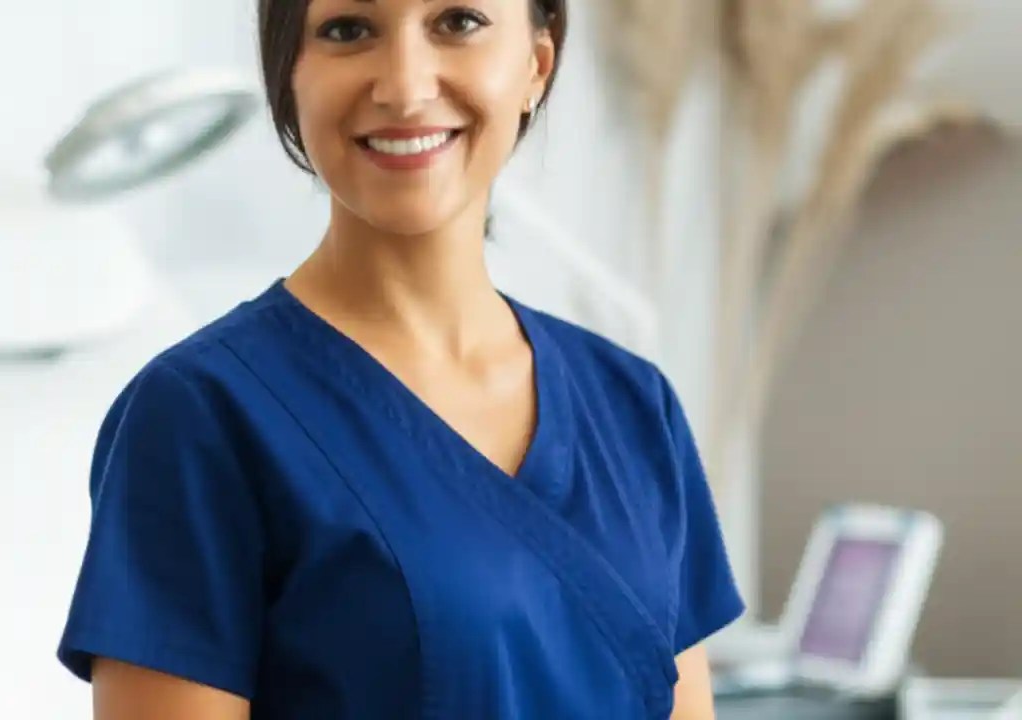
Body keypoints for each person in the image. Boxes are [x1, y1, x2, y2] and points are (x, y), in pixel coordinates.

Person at [56, 0, 746, 717]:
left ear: (536, 65)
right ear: (289, 74)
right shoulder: (201, 414)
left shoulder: (633, 405)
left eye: (459, 22)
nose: (405, 87)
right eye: (348, 31)